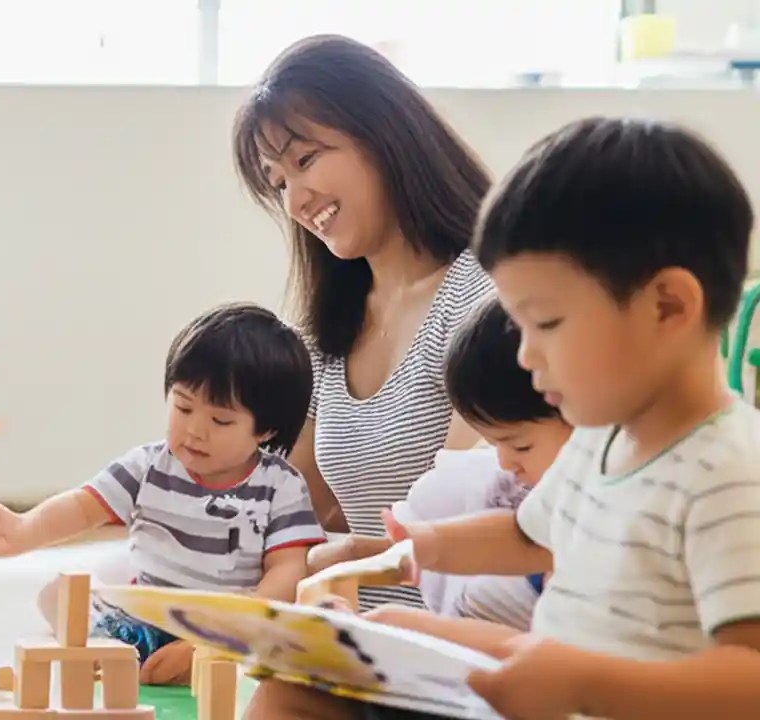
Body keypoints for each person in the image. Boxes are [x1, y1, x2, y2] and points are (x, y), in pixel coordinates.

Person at [262, 116, 760, 719]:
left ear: (668, 306)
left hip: (600, 697)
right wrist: (425, 546)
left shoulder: (729, 475)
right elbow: (528, 535)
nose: (525, 356)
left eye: (546, 325)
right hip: (558, 679)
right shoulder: (601, 444)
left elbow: (748, 677)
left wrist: (583, 681)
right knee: (340, 653)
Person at [231, 33, 493, 614]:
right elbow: (284, 508)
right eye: (279, 183)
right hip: (349, 625)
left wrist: (343, 556)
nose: (297, 200)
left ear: (385, 135)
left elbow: (474, 518)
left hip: (443, 630)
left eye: (305, 160)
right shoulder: (331, 331)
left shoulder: (484, 296)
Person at [0, 303, 327, 682]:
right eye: (184, 408)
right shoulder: (150, 465)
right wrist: (20, 530)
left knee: (275, 649)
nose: (195, 431)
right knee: (75, 611)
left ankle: (194, 656)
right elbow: (82, 507)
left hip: (225, 626)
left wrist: (220, 637)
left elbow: (287, 573)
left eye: (221, 420)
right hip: (146, 616)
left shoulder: (280, 486)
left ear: (267, 429)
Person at [310, 294, 572, 631]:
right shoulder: (553, 496)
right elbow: (524, 535)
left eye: (519, 446)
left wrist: (416, 627)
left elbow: (528, 652)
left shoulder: (607, 504)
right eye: (494, 445)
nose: (505, 463)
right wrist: (425, 543)